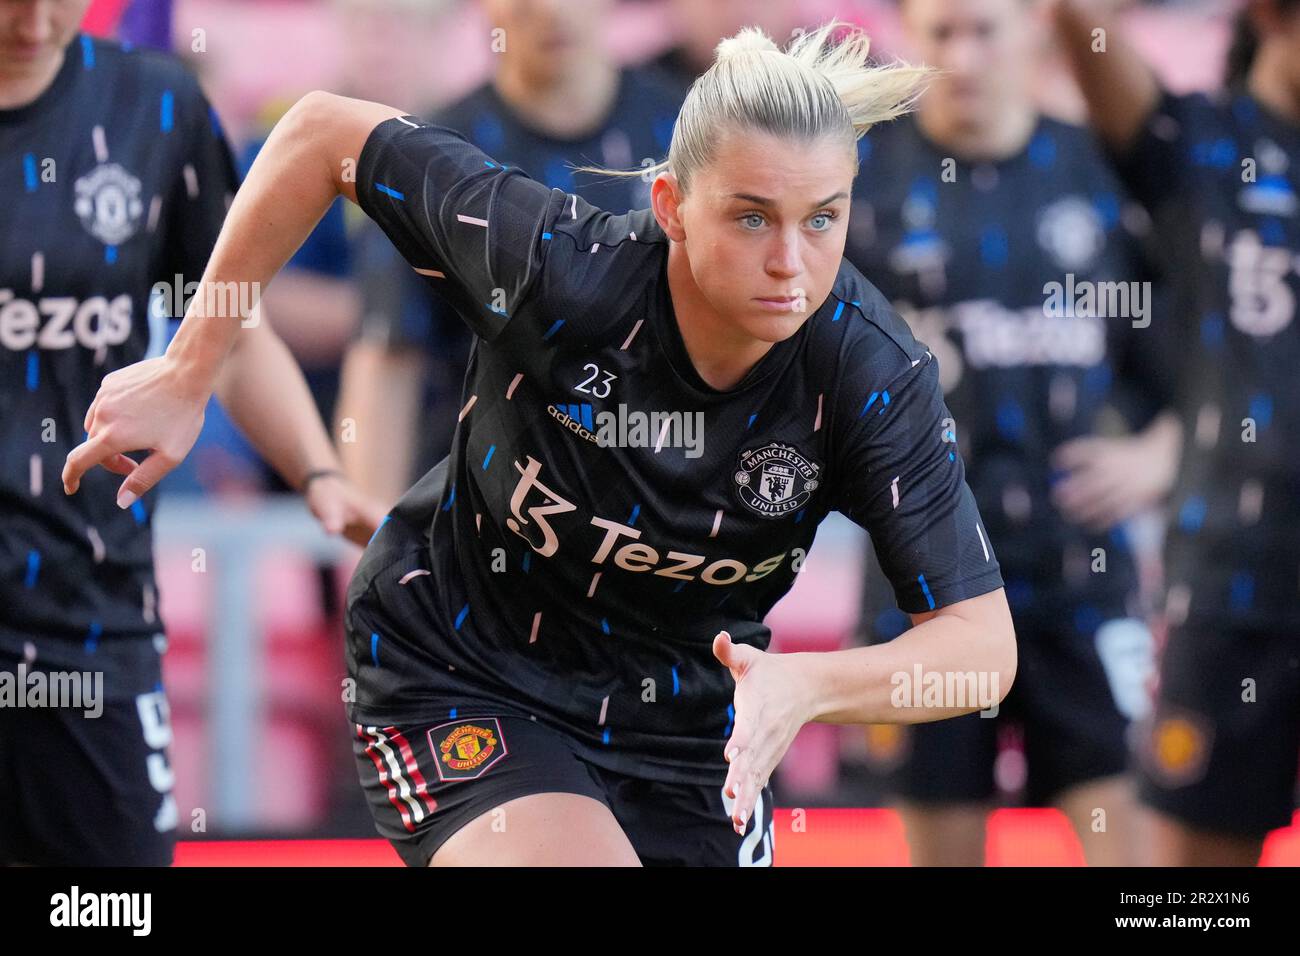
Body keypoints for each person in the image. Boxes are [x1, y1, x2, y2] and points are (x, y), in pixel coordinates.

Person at [64, 22, 1017, 867]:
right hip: (461, 669)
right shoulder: (560, 267)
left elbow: (981, 649)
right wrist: (188, 372)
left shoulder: (870, 369)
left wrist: (808, 684)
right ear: (671, 206)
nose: (790, 263)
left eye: (823, 220)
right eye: (751, 217)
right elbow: (321, 132)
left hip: (687, 729)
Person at [0, 0, 380, 865]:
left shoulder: (156, 109)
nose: (30, 20)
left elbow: (230, 334)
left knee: (109, 912)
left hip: (90, 613)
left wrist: (320, 475)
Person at [843, 0, 1178, 866]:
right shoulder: (857, 182)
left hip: (1080, 577)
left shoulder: (1103, 170)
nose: (962, 54)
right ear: (907, 39)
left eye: (983, 29)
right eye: (940, 32)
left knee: (1143, 872)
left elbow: (1204, 361)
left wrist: (1154, 458)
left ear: (1034, 29)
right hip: (923, 584)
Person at [1054, 0, 1300, 865]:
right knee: (1197, 897)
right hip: (1237, 579)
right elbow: (1073, 18)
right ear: (1272, 16)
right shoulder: (1200, 147)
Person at [338, 0, 685, 504]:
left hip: (653, 504)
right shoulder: (430, 157)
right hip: (484, 507)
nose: (550, 10)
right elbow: (387, 352)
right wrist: (371, 540)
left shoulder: (691, 136)